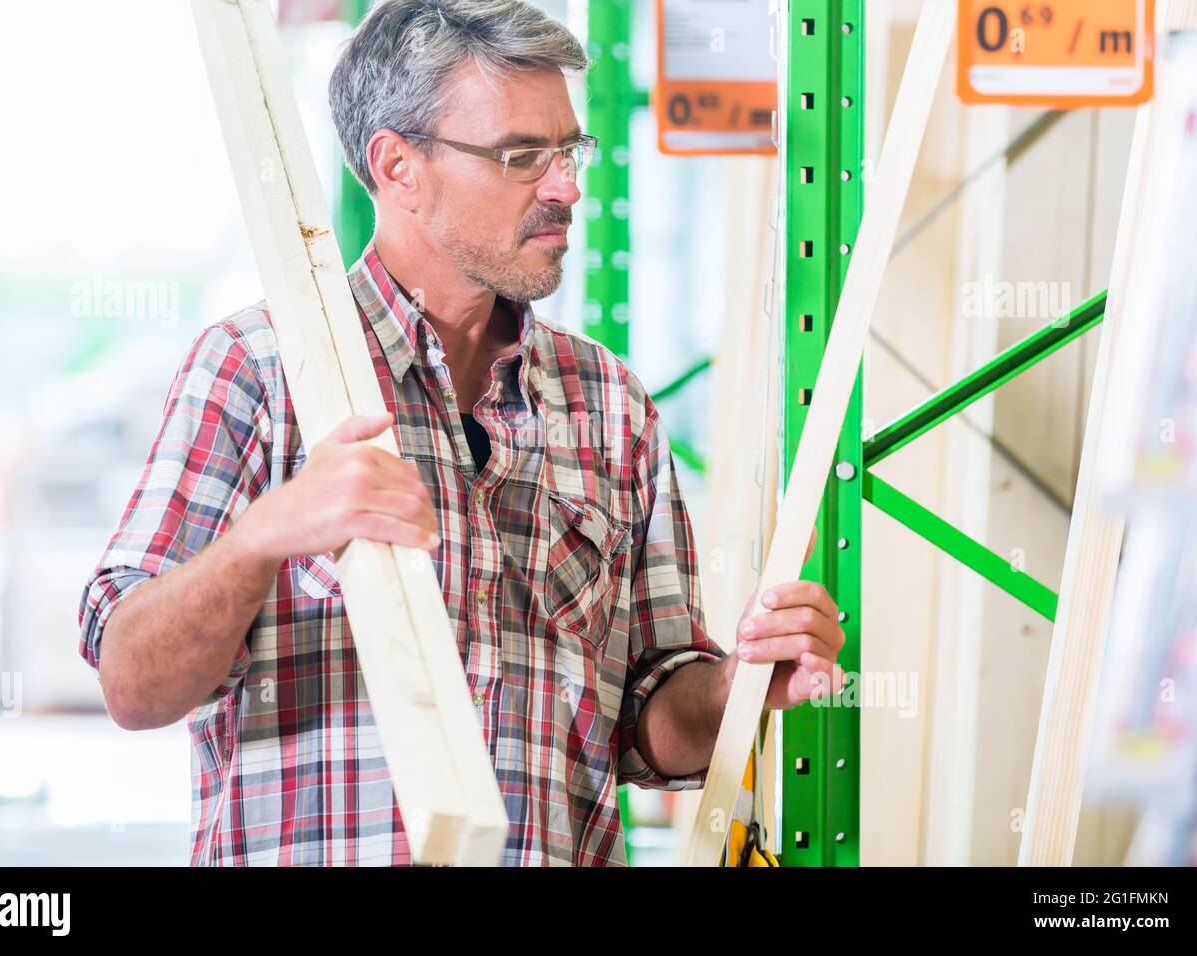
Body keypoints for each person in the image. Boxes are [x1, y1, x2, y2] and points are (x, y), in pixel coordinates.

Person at [78, 0, 845, 866]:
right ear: (398, 168)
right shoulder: (259, 369)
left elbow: (651, 722)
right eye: (523, 156)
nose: (565, 185)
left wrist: (740, 687)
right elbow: (131, 683)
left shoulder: (610, 404)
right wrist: (258, 542)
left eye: (570, 150)